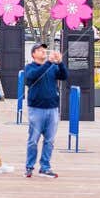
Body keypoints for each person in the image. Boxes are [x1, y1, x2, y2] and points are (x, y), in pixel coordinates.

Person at [21, 43, 67, 178]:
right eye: (40, 51)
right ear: (33, 54)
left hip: (52, 108)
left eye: (44, 51)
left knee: (50, 140)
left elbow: (64, 76)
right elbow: (34, 76)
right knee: (33, 140)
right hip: (36, 109)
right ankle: (29, 167)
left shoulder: (52, 67)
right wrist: (49, 63)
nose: (44, 53)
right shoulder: (29, 68)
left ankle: (45, 167)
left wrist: (60, 63)